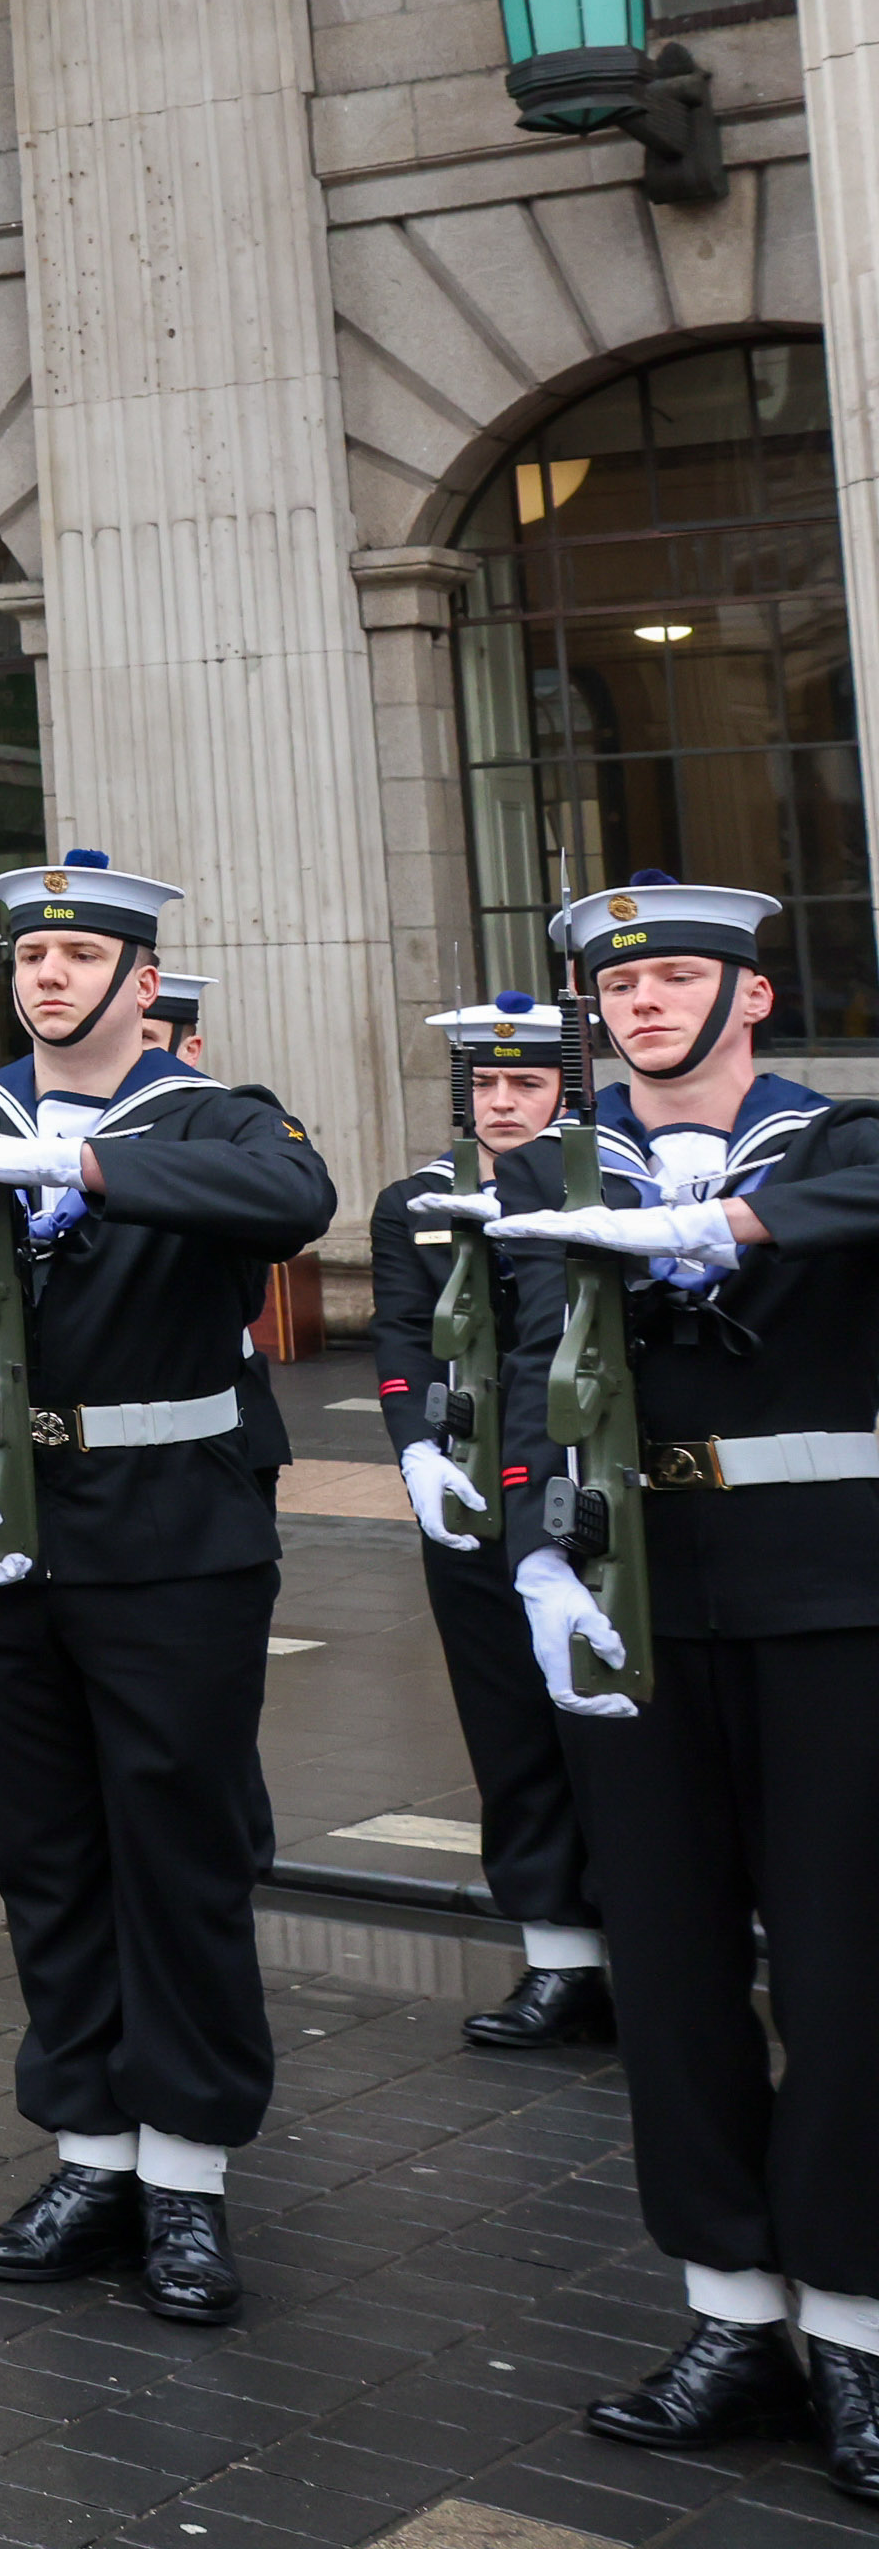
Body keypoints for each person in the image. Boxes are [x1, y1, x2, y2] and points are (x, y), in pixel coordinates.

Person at [0, 849, 337, 2330]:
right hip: (4, 1528)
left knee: (176, 1849)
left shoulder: (218, 1118)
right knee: (50, 1850)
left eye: (82, 957)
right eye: (30, 957)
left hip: (173, 1532)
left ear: (144, 982)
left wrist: (85, 1165)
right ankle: (89, 2154)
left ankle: (189, 2174)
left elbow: (294, 1199)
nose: (50, 977)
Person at [473, 873, 879, 2489]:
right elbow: (511, 1370)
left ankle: (853, 2328)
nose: (643, 1005)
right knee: (671, 1962)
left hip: (826, 1596)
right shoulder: (549, 1168)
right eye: (618, 989)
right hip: (632, 1602)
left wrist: (731, 1222)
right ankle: (727, 2314)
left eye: (679, 979)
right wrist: (531, 1557)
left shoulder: (833, 1141)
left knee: (846, 1967)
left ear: (749, 994)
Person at [364, 992, 609, 2048]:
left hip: (588, 1479)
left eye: (528, 1081)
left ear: (569, 1087)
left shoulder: (606, 1186)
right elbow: (402, 1332)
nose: (504, 1101)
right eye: (486, 1083)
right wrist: (416, 1446)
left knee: (614, 1725)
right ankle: (559, 1954)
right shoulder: (413, 1198)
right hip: (469, 1487)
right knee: (509, 1721)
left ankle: (652, 1941)